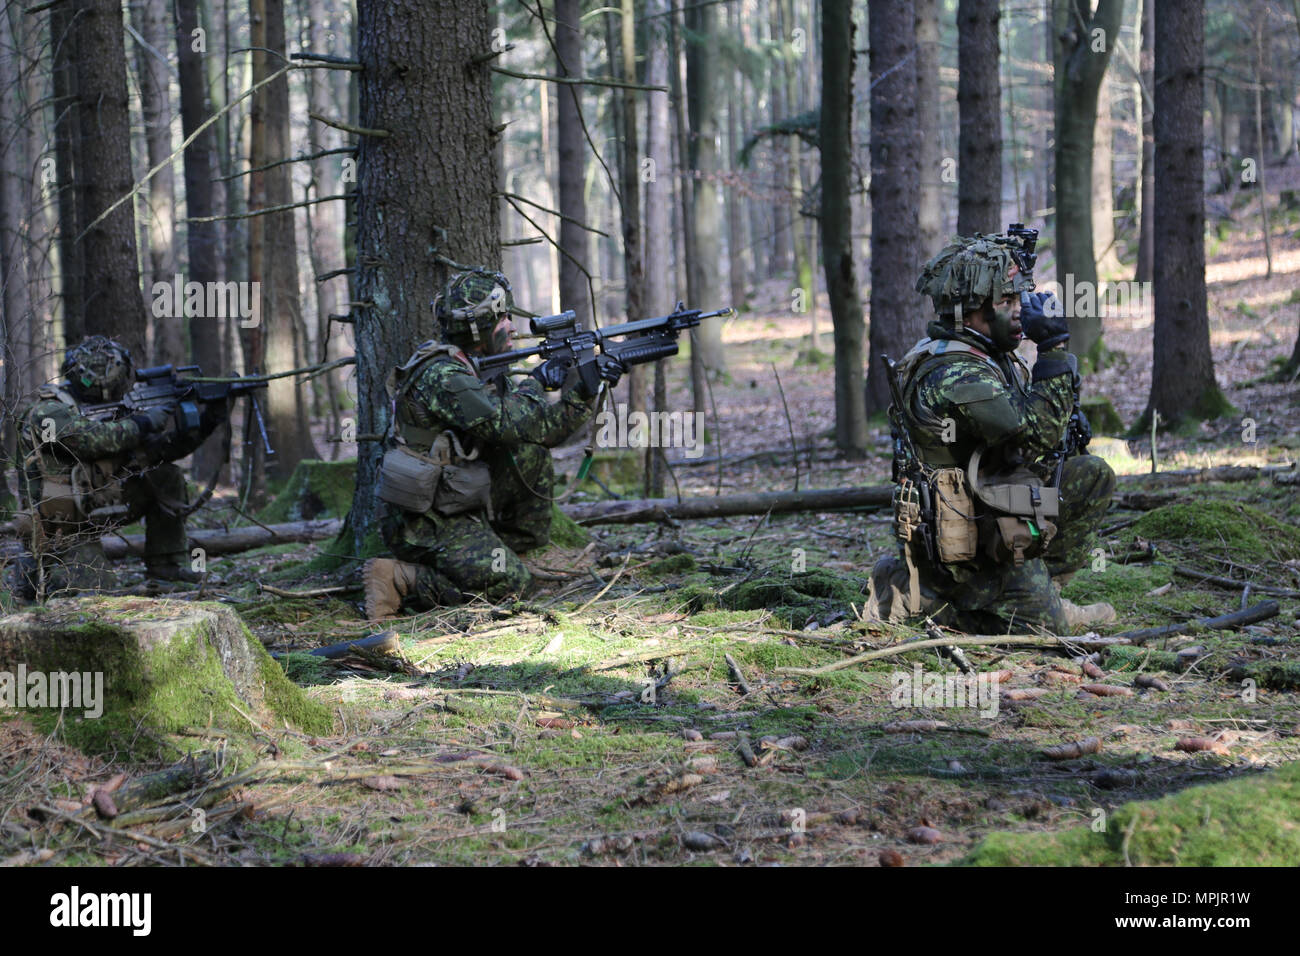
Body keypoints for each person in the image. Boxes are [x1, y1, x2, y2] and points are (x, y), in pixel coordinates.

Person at [866, 230, 1117, 633]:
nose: (1019, 311)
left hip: (990, 507)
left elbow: (1033, 444)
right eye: (1006, 301)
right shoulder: (954, 372)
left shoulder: (988, 355)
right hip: (962, 544)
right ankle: (911, 595)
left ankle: (1039, 586)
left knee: (1091, 476)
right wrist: (1052, 350)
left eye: (1019, 299)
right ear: (967, 311)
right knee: (1044, 633)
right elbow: (1034, 435)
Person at [363, 269, 620, 619]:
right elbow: (504, 424)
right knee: (514, 588)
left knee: (529, 450)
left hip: (459, 504)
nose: (513, 327)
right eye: (504, 319)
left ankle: (504, 553)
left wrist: (585, 389)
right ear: (479, 328)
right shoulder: (443, 375)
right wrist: (535, 383)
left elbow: (540, 430)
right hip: (425, 522)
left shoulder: (475, 370)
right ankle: (401, 578)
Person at [15, 336, 227, 595]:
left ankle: (167, 566)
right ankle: (35, 573)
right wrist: (143, 423)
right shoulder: (47, 410)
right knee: (93, 594)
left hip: (101, 506)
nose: (105, 386)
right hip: (61, 527)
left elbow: (158, 453)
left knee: (165, 475)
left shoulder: (119, 411)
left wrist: (207, 423)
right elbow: (89, 440)